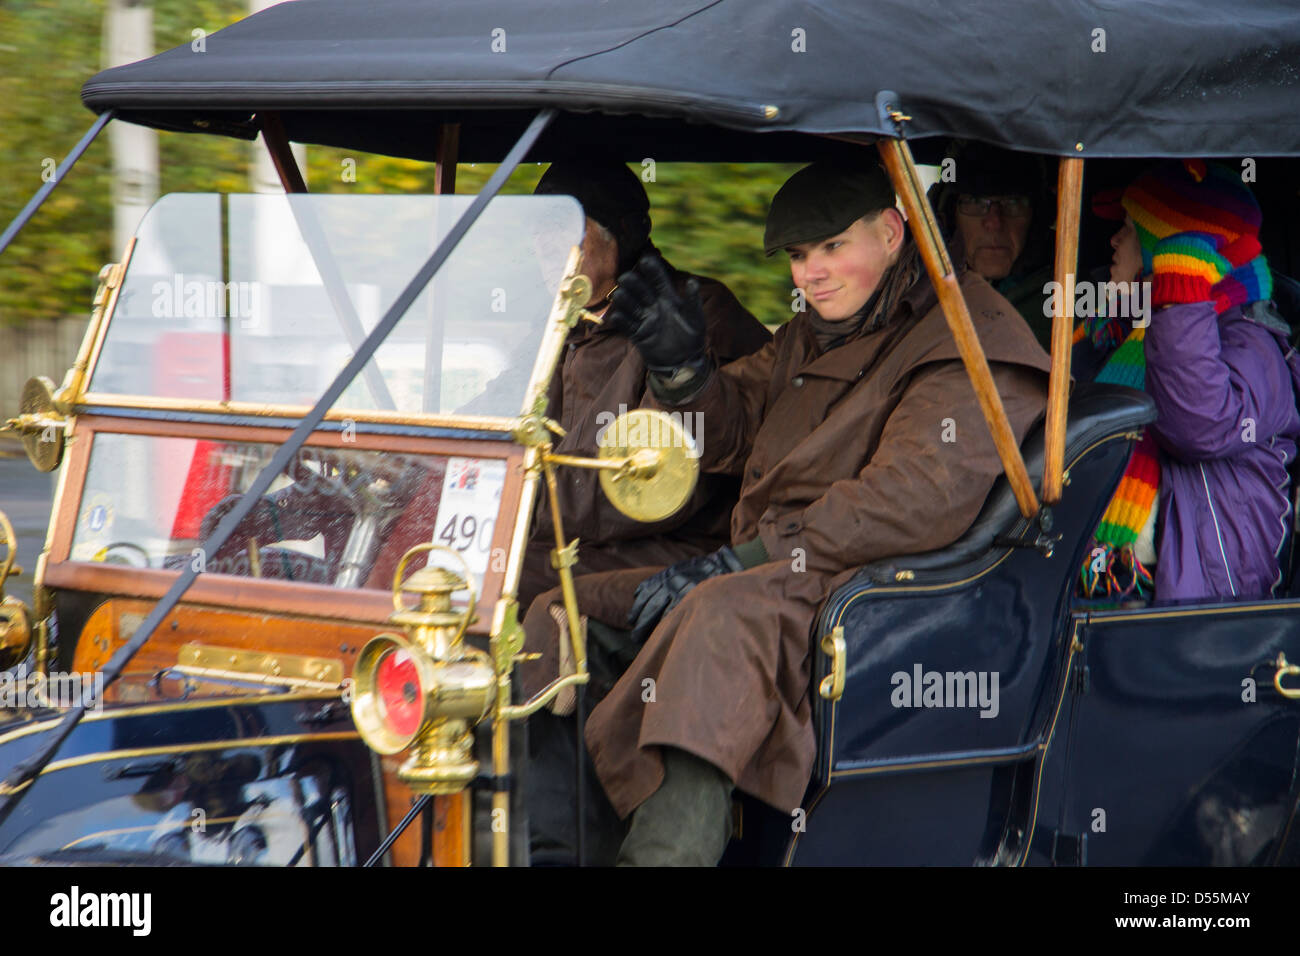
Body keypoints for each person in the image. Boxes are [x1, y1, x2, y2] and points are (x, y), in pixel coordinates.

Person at [520, 162, 1052, 865]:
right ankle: (560, 850)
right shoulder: (817, 330)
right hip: (773, 568)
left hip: (865, 586)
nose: (812, 273)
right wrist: (683, 372)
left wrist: (743, 560)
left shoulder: (964, 334)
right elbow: (732, 425)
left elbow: (911, 500)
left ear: (892, 233)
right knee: (562, 610)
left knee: (720, 615)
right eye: (801, 257)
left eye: (832, 248)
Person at [515, 158, 770, 612]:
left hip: (671, 545)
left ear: (622, 235)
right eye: (536, 228)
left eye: (564, 227)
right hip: (567, 535)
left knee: (500, 586)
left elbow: (657, 483)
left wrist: (523, 499)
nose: (542, 244)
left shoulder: (690, 316)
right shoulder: (557, 320)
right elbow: (495, 414)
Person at [1077, 159, 1300, 605]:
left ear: (1166, 248)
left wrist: (1178, 292)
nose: (1114, 240)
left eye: (1129, 228)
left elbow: (1196, 428)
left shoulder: (1252, 343)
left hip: (1205, 605)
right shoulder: (1126, 331)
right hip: (1137, 593)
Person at [931, 142, 1056, 350]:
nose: (994, 223)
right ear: (951, 218)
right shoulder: (914, 293)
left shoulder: (1068, 301)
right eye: (975, 202)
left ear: (1036, 219)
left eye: (1013, 203)